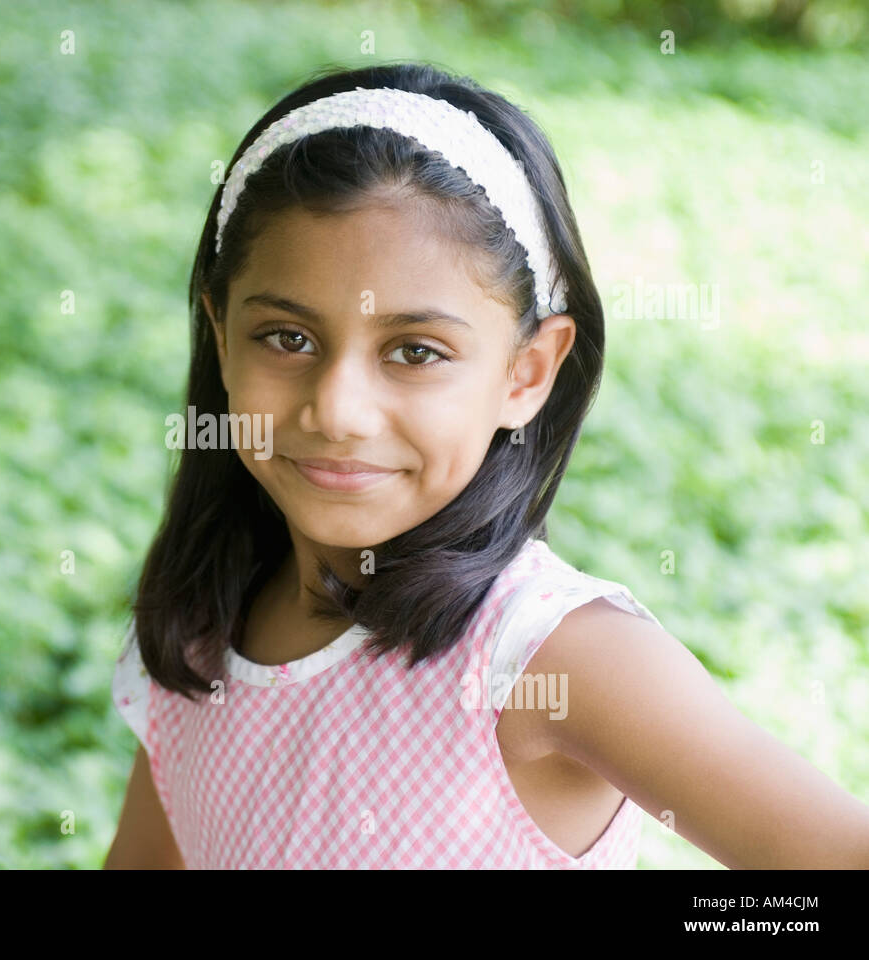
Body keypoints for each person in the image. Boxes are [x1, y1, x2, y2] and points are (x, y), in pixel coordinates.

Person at [103, 61, 869, 869]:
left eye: (415, 351)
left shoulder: (552, 658)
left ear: (527, 372)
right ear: (221, 333)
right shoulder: (199, 632)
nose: (336, 410)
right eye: (288, 338)